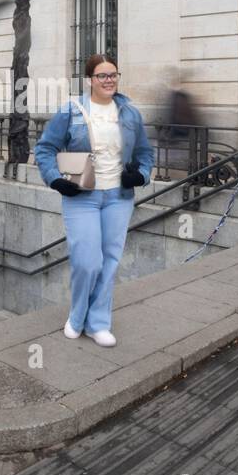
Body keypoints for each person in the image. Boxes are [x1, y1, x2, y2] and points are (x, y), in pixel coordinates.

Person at [34, 53, 154, 347]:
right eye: (102, 75)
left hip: (118, 197)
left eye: (113, 74)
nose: (109, 80)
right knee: (87, 261)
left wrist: (141, 175)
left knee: (110, 261)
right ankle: (77, 317)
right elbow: (45, 148)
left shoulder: (129, 113)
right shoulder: (71, 111)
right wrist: (55, 179)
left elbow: (145, 154)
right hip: (81, 197)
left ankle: (98, 323)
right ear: (90, 80)